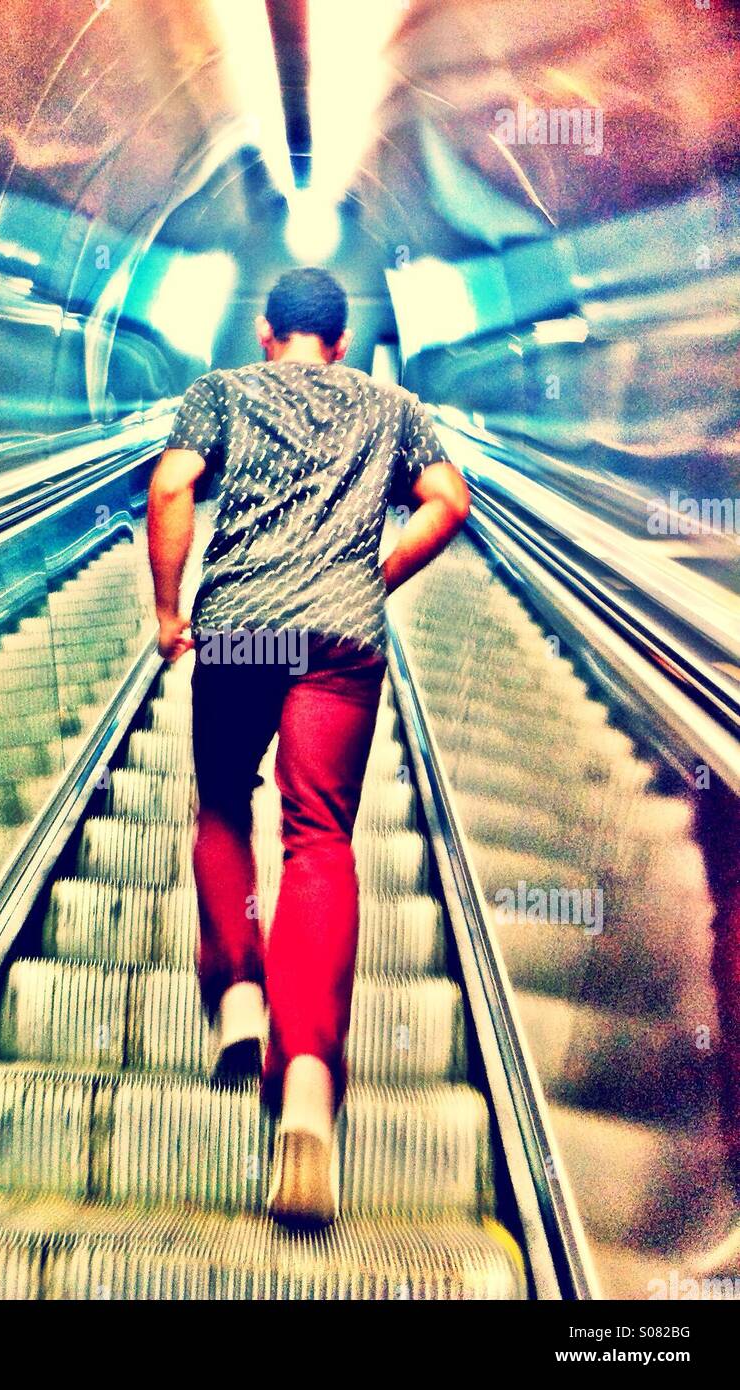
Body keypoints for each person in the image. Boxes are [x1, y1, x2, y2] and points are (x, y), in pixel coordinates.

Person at [146, 266, 469, 1228]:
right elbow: (448, 501)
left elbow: (170, 488)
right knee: (319, 840)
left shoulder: (221, 393)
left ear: (263, 331)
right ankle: (309, 1088)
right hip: (339, 640)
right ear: (339, 339)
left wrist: (169, 614)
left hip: (240, 627)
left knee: (219, 808)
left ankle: (238, 992)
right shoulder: (393, 405)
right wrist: (376, 573)